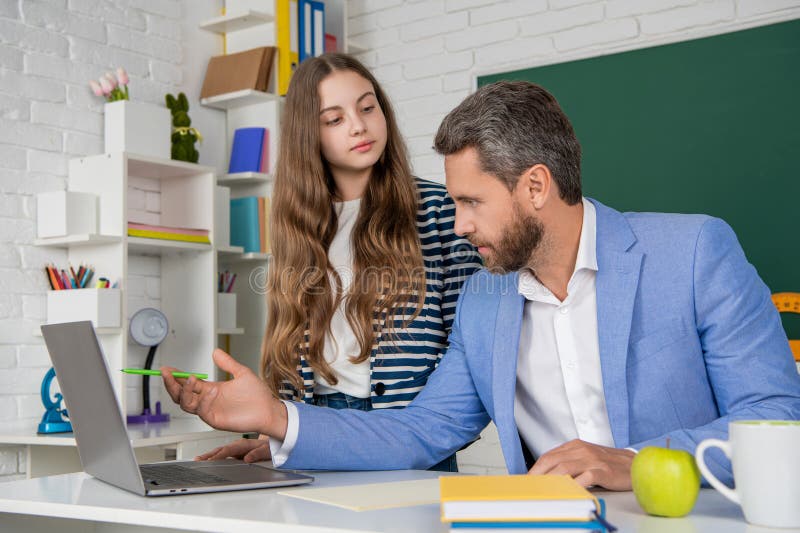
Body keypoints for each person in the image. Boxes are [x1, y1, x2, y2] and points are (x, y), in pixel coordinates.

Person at [163, 81, 800, 490]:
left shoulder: (692, 253)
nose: (457, 223)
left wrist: (637, 463)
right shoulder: (486, 300)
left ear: (535, 187)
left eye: (471, 202)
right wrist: (278, 417)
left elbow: (777, 416)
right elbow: (421, 432)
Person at [189, 53, 481, 472]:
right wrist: (275, 440)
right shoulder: (296, 227)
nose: (359, 126)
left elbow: (470, 351)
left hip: (406, 435)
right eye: (334, 119)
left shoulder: (440, 211)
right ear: (310, 135)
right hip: (314, 431)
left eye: (367, 107)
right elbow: (292, 354)